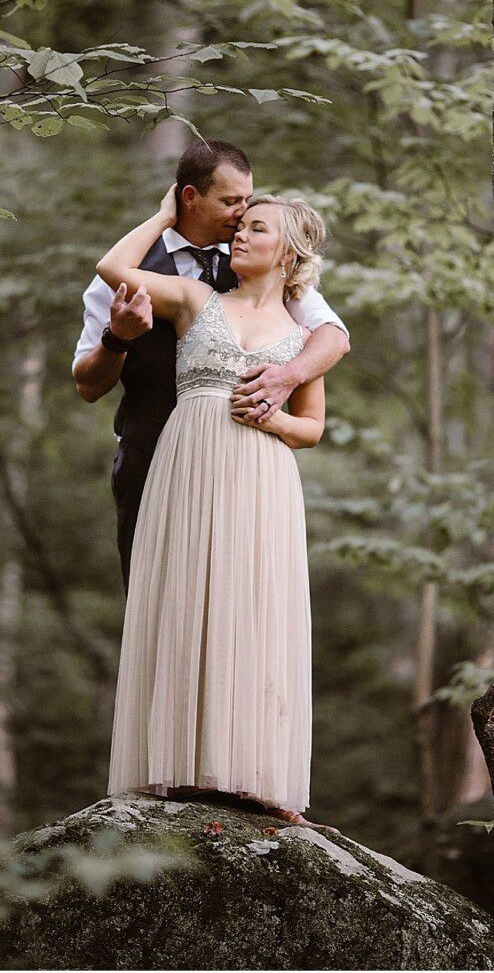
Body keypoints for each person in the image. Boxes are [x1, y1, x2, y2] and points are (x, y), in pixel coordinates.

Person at [99, 187, 326, 824]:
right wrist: (166, 216)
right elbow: (113, 268)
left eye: (257, 229)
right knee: (186, 596)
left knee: (251, 603)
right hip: (188, 461)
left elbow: (313, 427)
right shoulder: (198, 299)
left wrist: (274, 418)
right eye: (240, 226)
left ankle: (251, 775)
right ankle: (171, 768)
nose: (239, 235)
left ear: (290, 251)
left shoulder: (303, 335)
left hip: (262, 472)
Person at [72, 140, 349, 587]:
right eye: (231, 201)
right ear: (189, 197)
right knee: (158, 603)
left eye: (248, 202)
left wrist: (286, 379)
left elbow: (334, 337)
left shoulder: (262, 268)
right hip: (150, 462)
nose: (242, 216)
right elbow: (87, 385)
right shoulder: (141, 268)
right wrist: (117, 338)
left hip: (244, 470)